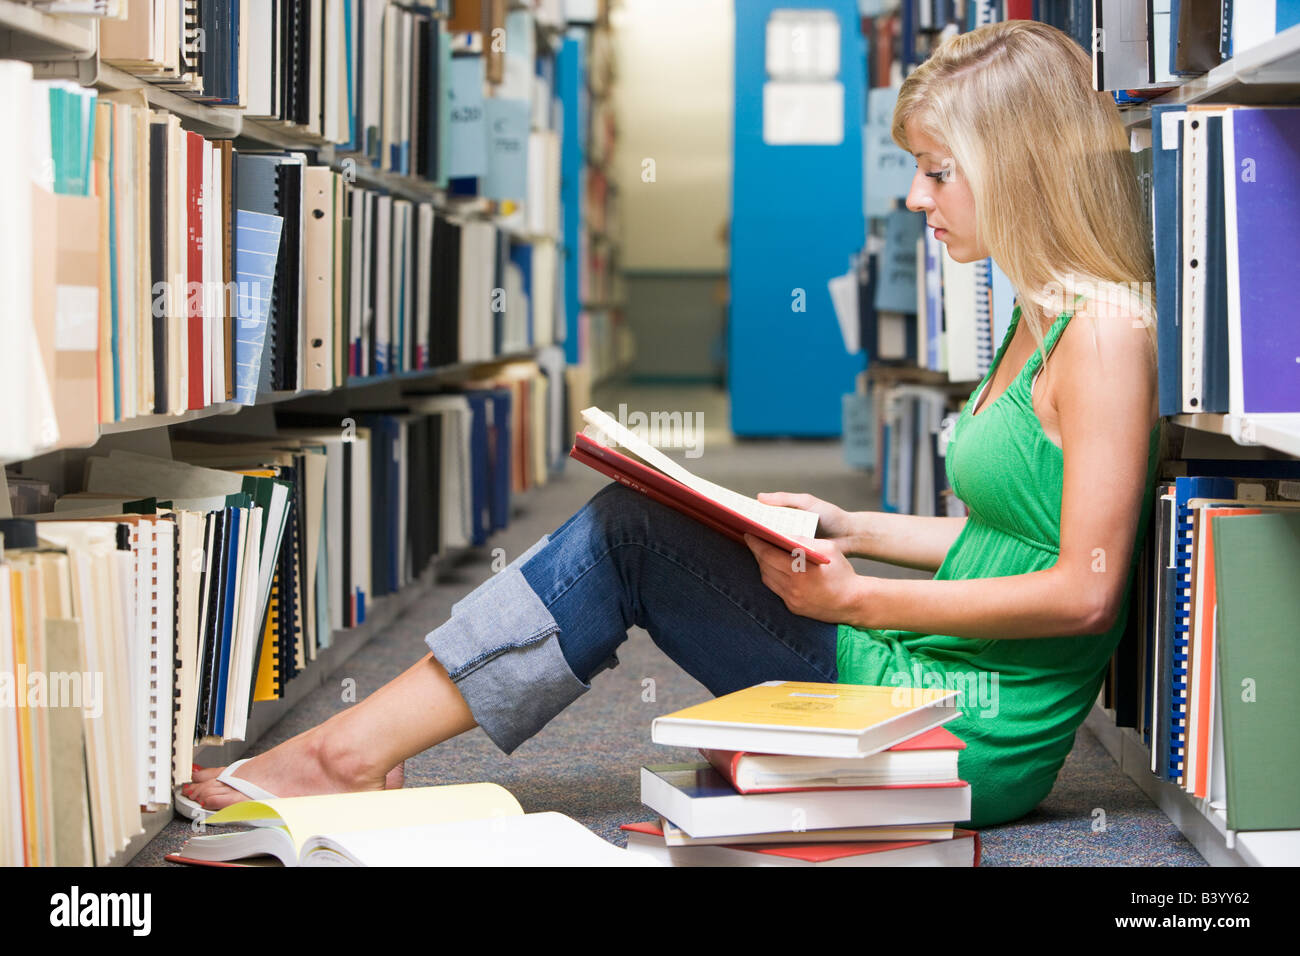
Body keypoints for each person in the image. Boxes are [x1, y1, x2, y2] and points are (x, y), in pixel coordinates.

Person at [183, 19, 1160, 830]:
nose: (914, 199)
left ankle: (345, 750)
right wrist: (851, 528)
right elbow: (1013, 535)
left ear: (1017, 167)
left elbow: (1081, 589)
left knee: (634, 533)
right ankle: (352, 748)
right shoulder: (1040, 316)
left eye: (938, 173)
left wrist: (855, 598)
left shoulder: (1103, 334)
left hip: (968, 729)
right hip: (925, 669)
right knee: (642, 522)